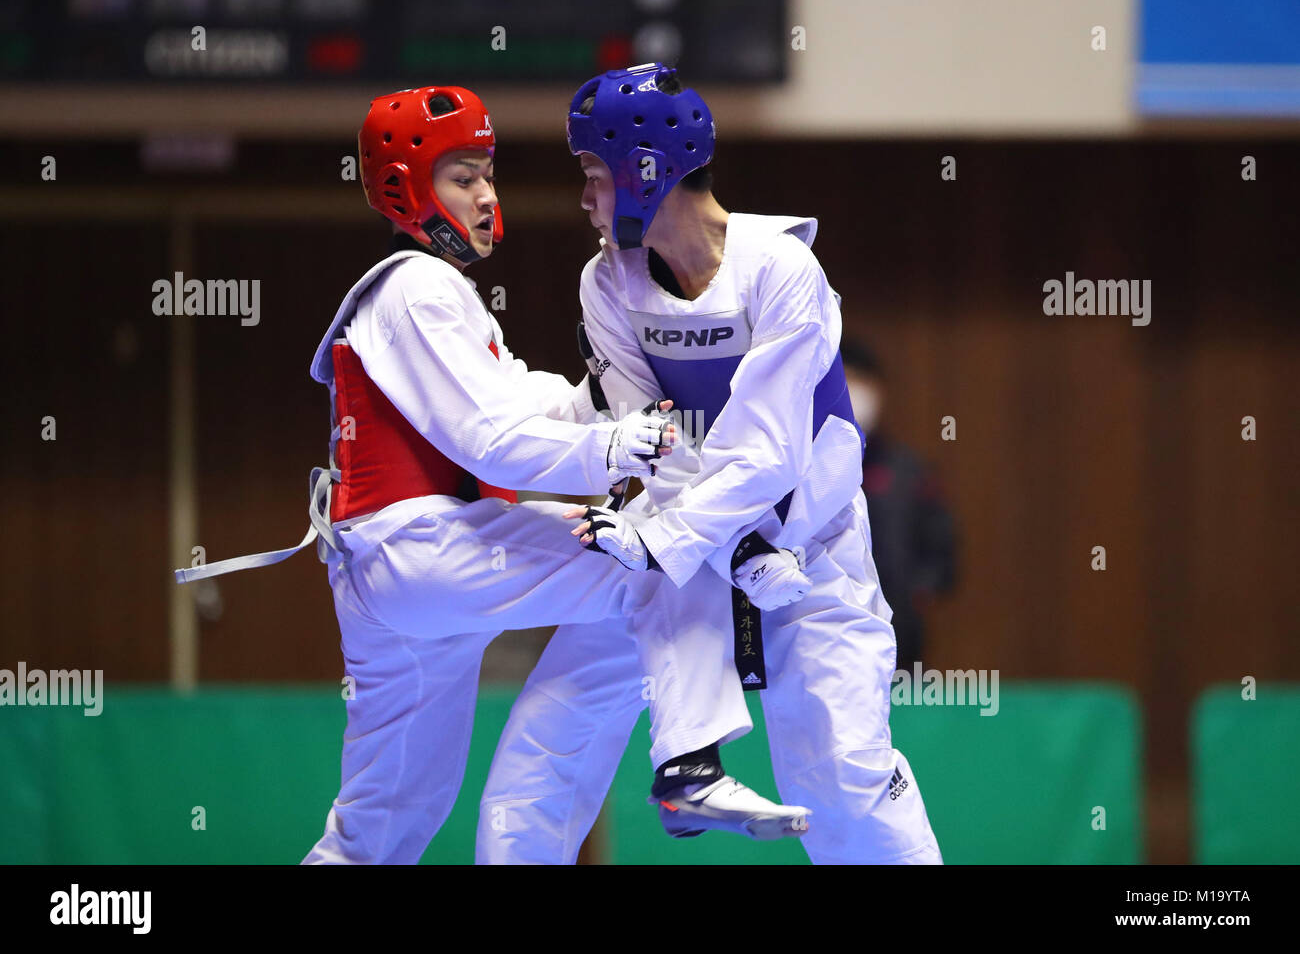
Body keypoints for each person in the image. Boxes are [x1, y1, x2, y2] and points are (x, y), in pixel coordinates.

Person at [175, 85, 800, 862]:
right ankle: (690, 764)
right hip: (427, 547)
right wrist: (619, 445)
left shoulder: (428, 295)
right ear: (407, 187)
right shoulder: (416, 287)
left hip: (390, 584)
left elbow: (516, 402)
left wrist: (609, 397)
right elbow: (491, 440)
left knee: (383, 826)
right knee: (657, 559)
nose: (485, 196)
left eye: (488, 175)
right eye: (462, 178)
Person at [476, 64, 943, 864]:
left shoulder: (782, 270)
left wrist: (698, 542)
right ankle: (683, 767)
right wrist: (700, 545)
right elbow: (644, 439)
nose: (585, 199)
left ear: (643, 171)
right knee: (541, 758)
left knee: (846, 782)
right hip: (678, 561)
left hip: (808, 557)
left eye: (593, 176)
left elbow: (767, 451)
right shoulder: (606, 284)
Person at [841, 340, 957, 670]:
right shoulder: (801, 467)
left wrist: (918, 593)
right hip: (820, 629)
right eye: (845, 380)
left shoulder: (907, 470)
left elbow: (941, 546)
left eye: (861, 382)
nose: (855, 393)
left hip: (898, 634)